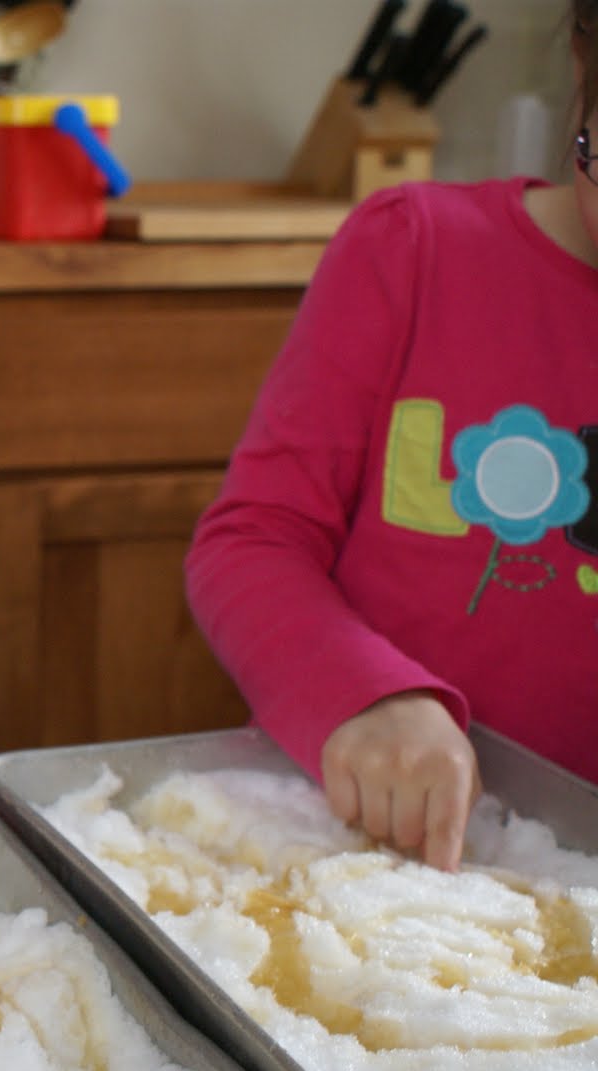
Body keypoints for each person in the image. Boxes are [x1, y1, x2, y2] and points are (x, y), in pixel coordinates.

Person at [186, 1, 598, 876]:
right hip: (362, 863)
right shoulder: (416, 252)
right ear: (581, 61)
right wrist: (363, 695)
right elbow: (251, 541)